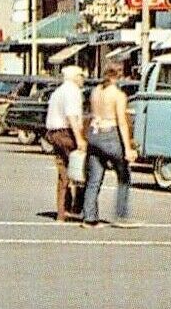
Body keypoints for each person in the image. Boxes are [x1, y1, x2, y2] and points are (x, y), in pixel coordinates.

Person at [82, 61, 138, 228]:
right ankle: (121, 215)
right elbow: (121, 121)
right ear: (119, 75)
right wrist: (128, 148)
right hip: (110, 134)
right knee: (123, 175)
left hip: (94, 133)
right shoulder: (118, 95)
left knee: (94, 179)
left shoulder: (95, 91)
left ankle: (89, 217)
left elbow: (90, 114)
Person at [43, 65, 88, 222]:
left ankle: (62, 211)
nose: (83, 78)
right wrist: (80, 139)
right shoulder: (72, 91)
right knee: (82, 170)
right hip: (66, 133)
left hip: (54, 134)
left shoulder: (58, 91)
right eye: (81, 75)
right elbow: (71, 116)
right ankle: (78, 208)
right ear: (75, 77)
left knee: (63, 173)